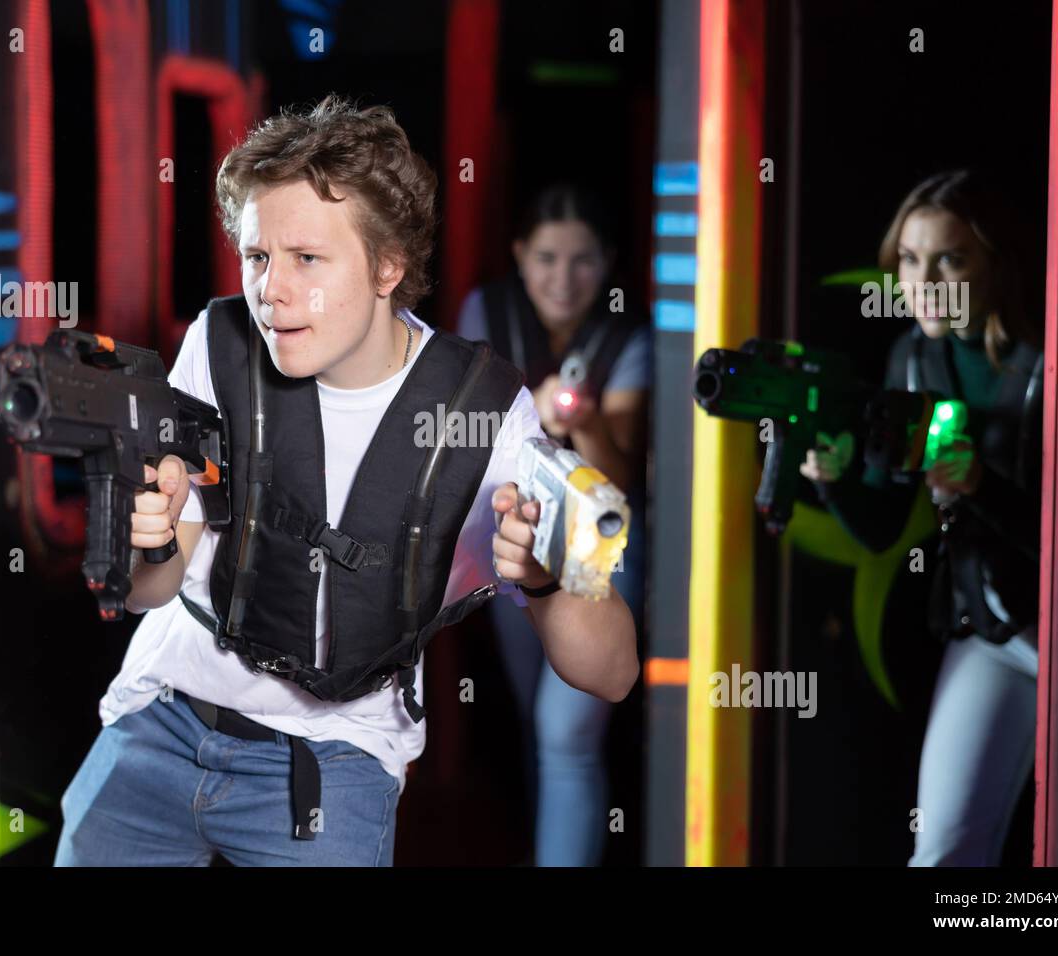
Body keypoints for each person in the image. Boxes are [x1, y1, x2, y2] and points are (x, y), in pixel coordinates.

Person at [53, 97, 638, 867]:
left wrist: (549, 579)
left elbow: (613, 674)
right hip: (160, 723)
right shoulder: (219, 342)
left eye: (307, 259)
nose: (272, 289)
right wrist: (151, 536)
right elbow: (149, 591)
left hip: (331, 766)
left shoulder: (483, 415)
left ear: (387, 267)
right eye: (258, 257)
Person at [801, 170, 1044, 866]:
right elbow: (880, 526)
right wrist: (835, 478)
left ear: (996, 263)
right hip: (991, 629)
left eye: (950, 258)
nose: (924, 278)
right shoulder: (913, 356)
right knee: (940, 854)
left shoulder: (1055, 359)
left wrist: (981, 488)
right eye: (909, 259)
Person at [456, 184, 651, 866]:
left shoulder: (629, 334)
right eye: (546, 258)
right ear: (519, 255)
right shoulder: (488, 309)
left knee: (565, 733)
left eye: (582, 262)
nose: (563, 280)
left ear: (609, 263)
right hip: (514, 533)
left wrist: (585, 420)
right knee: (539, 727)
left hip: (603, 541)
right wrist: (525, 421)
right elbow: (460, 442)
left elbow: (618, 480)